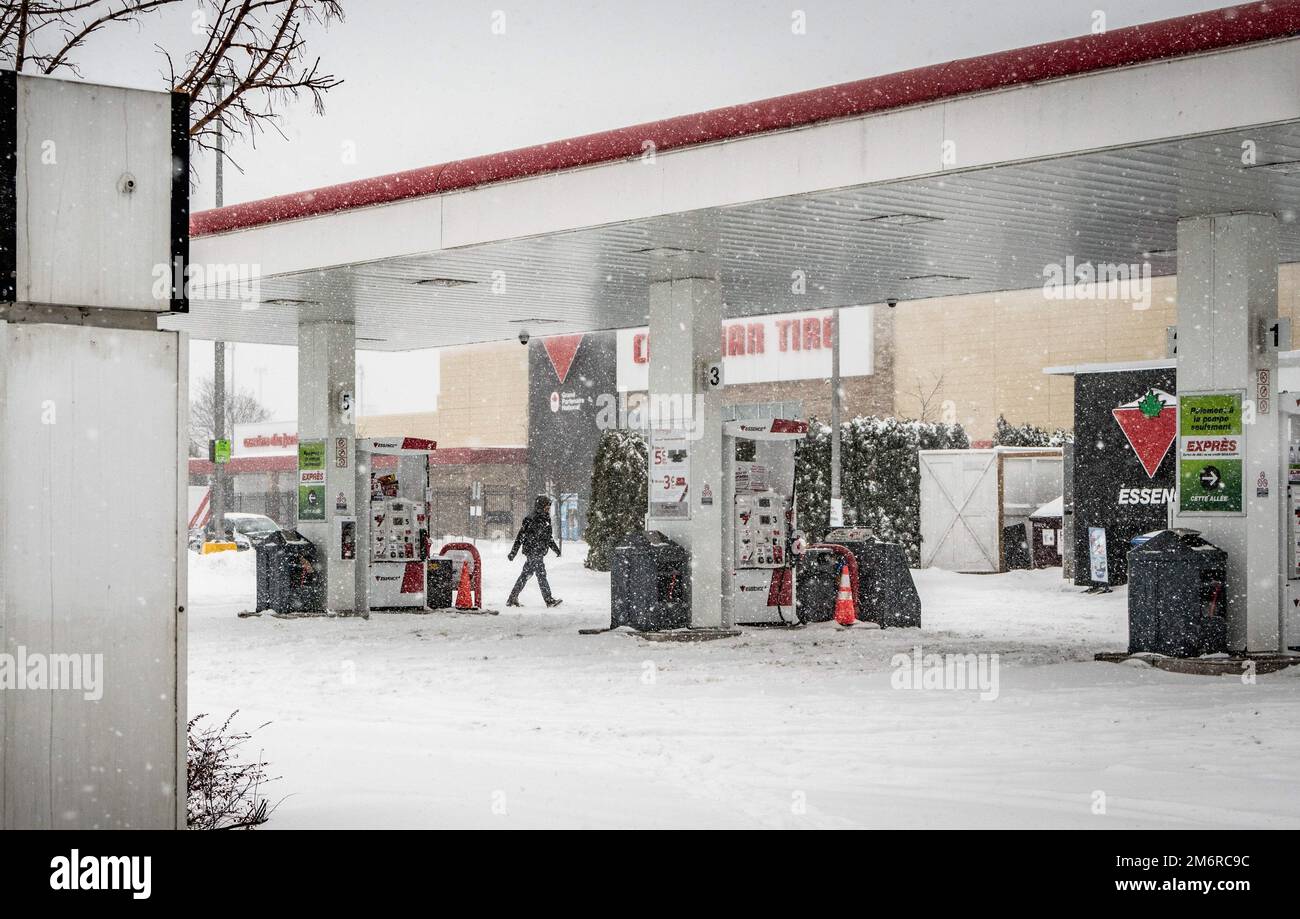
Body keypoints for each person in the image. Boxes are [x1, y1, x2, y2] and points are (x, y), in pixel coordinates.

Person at [507, 495, 563, 607]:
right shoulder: (531, 519)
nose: (548, 509)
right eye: (547, 507)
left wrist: (556, 550)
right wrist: (513, 552)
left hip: (537, 552)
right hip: (533, 552)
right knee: (541, 575)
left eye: (549, 507)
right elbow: (520, 536)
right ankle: (549, 600)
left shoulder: (545, 518)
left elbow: (548, 538)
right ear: (541, 506)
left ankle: (512, 598)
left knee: (525, 575)